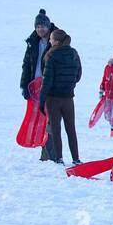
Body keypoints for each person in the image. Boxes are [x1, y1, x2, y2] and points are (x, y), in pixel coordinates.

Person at [38, 28, 82, 165]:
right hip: (68, 97)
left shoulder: (51, 56)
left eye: (51, 39)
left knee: (56, 130)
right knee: (71, 129)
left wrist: (41, 100)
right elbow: (79, 75)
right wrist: (70, 84)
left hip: (53, 98)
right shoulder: (74, 53)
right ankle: (76, 158)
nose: (49, 41)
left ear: (56, 41)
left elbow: (47, 81)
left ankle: (59, 158)